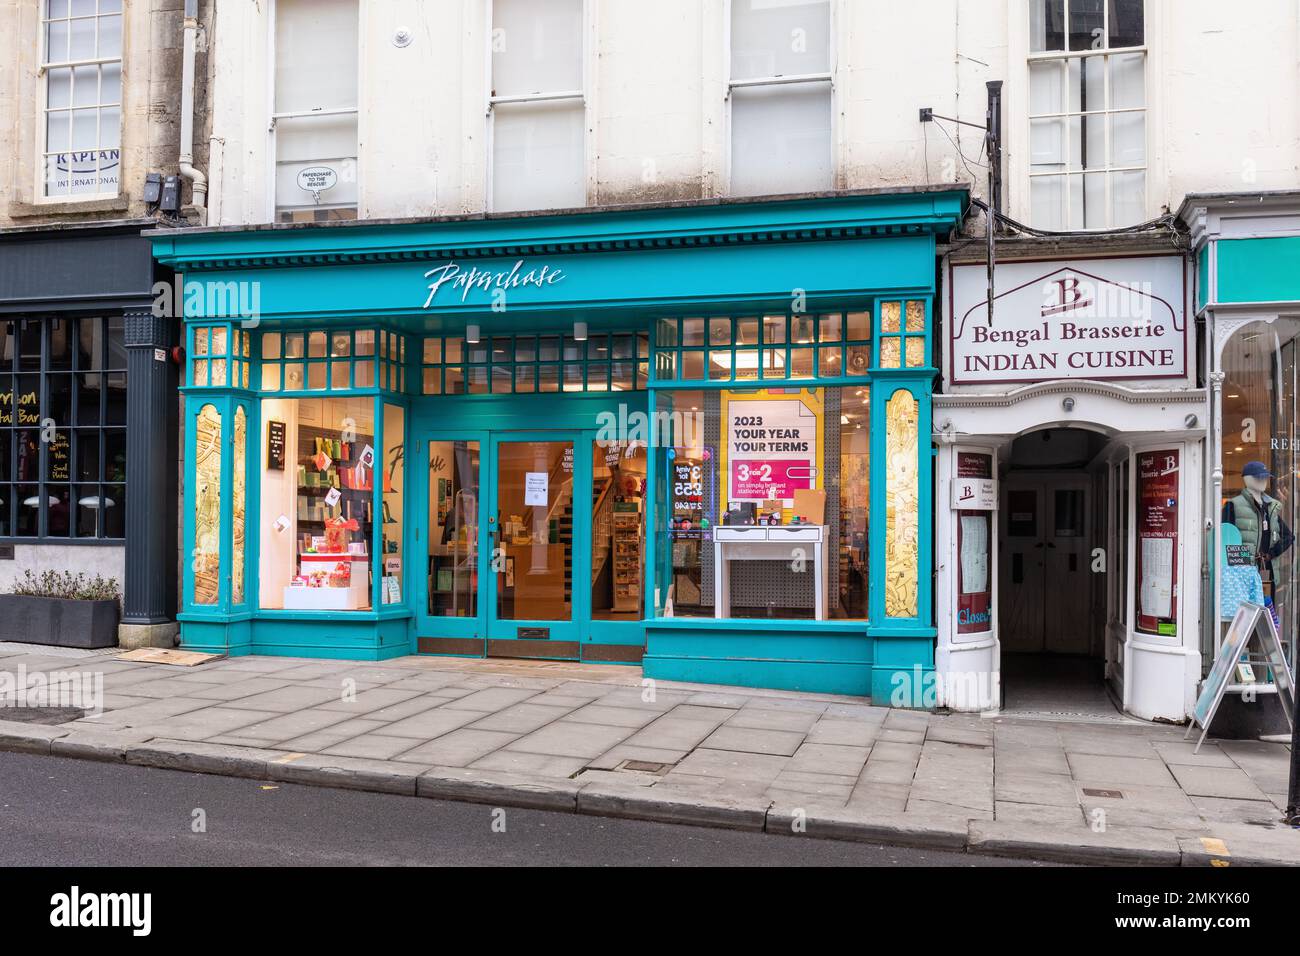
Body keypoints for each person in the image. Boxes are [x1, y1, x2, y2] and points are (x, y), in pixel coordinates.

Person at [1222, 461, 1295, 582]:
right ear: (1247, 480)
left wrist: (1271, 554)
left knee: (1266, 600)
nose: (1263, 481)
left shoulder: (1271, 508)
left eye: (1265, 478)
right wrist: (1245, 562)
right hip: (1241, 574)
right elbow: (1225, 541)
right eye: (1259, 478)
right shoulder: (1233, 506)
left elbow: (1288, 537)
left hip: (1267, 572)